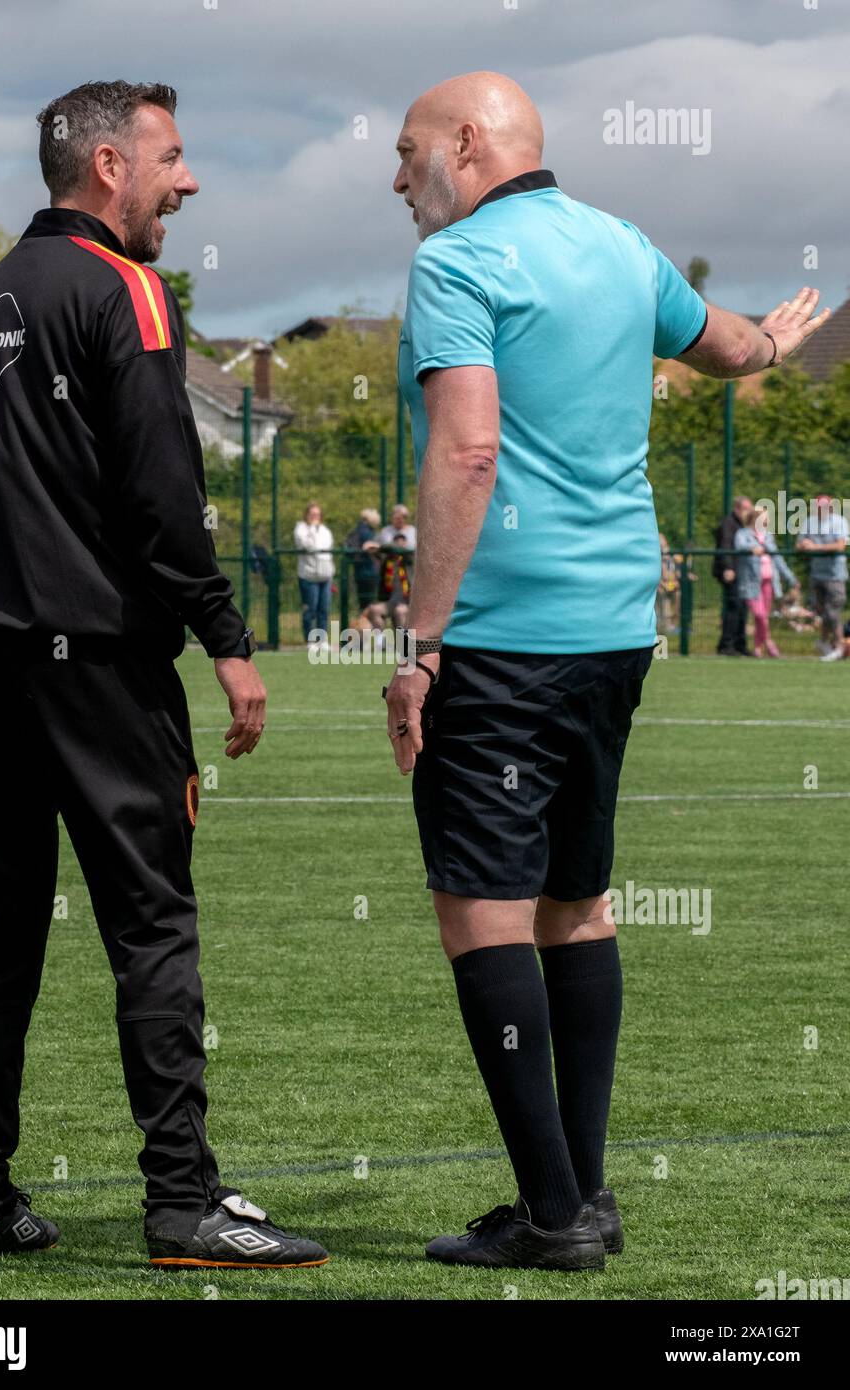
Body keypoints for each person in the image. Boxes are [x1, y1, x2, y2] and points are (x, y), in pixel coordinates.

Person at [383, 69, 830, 1271]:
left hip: (503, 636)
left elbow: (468, 450)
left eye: (408, 150)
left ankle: (551, 1215)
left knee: (483, 910)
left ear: (467, 145)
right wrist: (771, 351)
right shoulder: (624, 246)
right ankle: (581, 1194)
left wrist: (420, 646)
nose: (395, 177)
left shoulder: (457, 264)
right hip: (617, 630)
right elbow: (730, 340)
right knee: (575, 899)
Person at [0, 80, 327, 1272]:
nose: (186, 179)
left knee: (1, 921)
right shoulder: (127, 289)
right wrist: (228, 638)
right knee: (151, 923)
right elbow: (163, 492)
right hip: (97, 657)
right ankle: (182, 1204)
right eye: (173, 157)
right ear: (108, 165)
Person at [734, 505, 798, 658]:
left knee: (762, 617)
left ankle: (757, 648)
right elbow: (739, 546)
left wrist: (790, 578)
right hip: (751, 581)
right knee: (759, 615)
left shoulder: (768, 536)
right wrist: (752, 548)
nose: (768, 520)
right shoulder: (743, 533)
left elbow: (778, 559)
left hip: (769, 580)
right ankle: (768, 643)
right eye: (765, 516)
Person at [796, 495, 849, 659]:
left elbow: (840, 545)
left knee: (833, 611)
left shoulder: (839, 521)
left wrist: (815, 546)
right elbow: (799, 545)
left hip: (834, 575)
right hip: (817, 573)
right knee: (822, 611)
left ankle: (839, 645)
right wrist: (804, 546)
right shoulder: (809, 522)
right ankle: (824, 642)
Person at [713, 496, 754, 655]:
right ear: (737, 509)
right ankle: (726, 645)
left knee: (742, 608)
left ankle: (740, 644)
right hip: (731, 572)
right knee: (734, 606)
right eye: (746, 509)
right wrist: (728, 568)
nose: (749, 513)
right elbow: (725, 547)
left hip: (741, 572)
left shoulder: (741, 525)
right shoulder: (728, 523)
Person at [294, 501, 335, 644]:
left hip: (325, 576)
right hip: (308, 576)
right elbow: (308, 546)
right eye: (312, 514)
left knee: (323, 610)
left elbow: (326, 548)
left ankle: (322, 641)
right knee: (310, 610)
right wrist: (311, 529)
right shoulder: (301, 529)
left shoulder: (325, 531)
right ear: (306, 515)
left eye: (317, 514)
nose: (315, 517)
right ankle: (310, 641)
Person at [344, 507, 382, 611]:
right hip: (369, 571)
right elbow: (369, 547)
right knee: (369, 603)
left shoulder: (356, 530)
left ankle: (362, 624)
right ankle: (367, 626)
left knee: (363, 602)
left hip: (359, 570)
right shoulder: (367, 532)